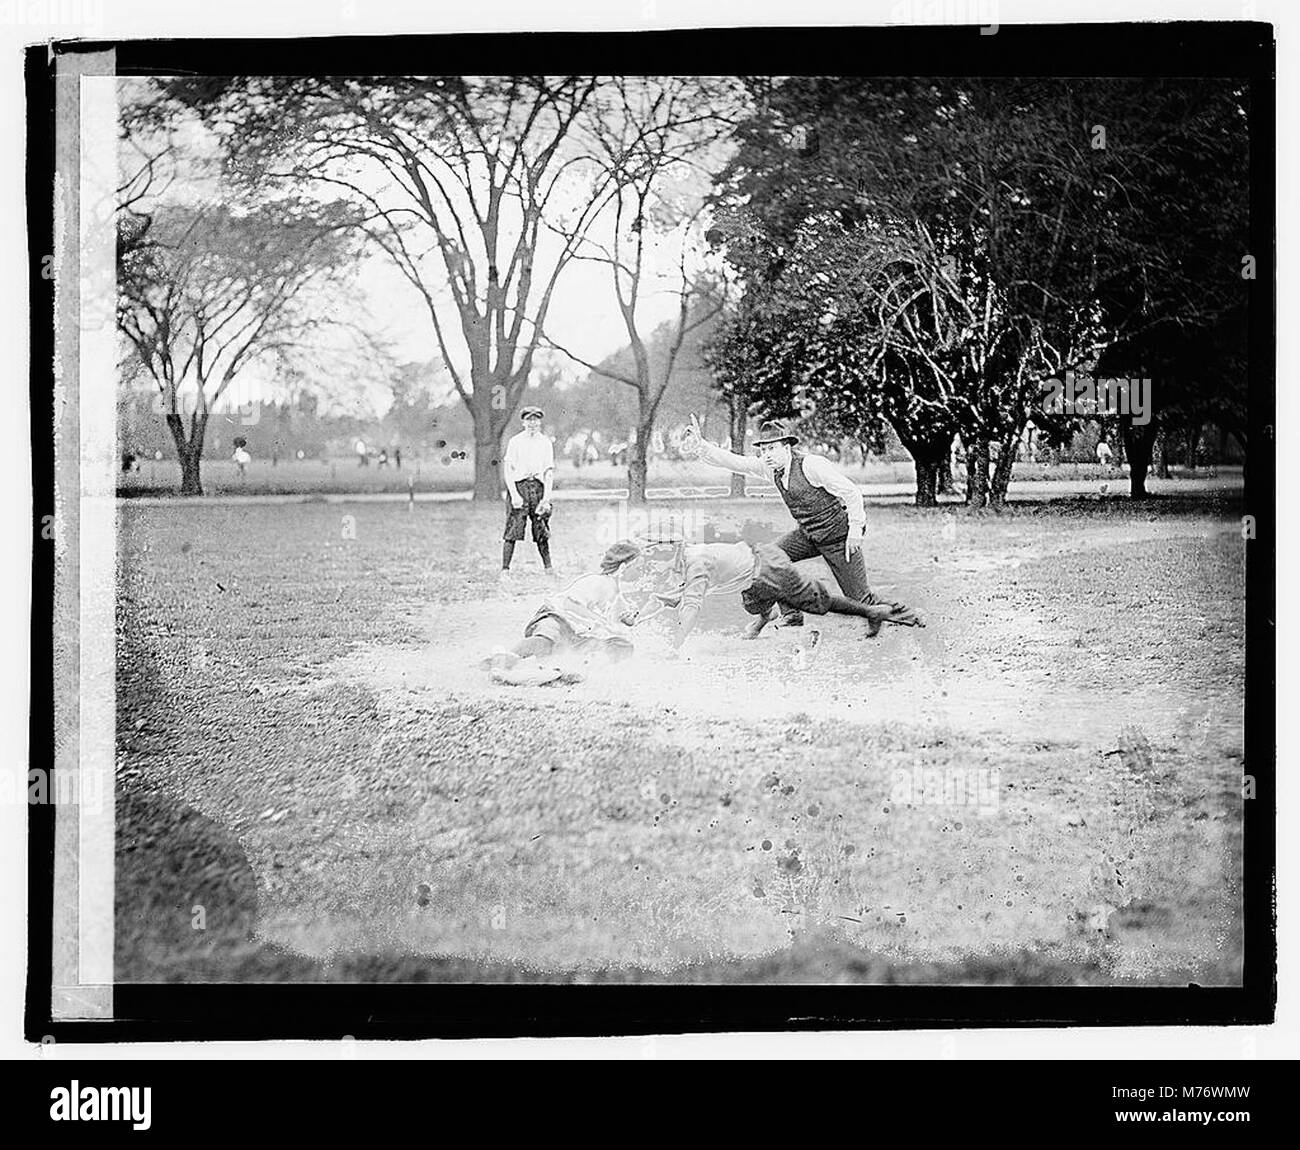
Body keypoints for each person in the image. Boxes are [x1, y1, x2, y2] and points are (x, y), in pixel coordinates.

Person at [679, 414, 915, 628]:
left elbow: (851, 492)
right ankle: (791, 615)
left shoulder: (812, 465)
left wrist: (855, 530)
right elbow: (736, 462)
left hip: (838, 538)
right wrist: (701, 447)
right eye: (763, 450)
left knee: (861, 600)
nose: (767, 455)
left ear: (787, 447)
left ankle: (911, 617)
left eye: (772, 449)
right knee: (768, 559)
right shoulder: (771, 469)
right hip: (808, 535)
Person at [641, 537, 918, 649]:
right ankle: (765, 617)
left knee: (819, 602)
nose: (654, 563)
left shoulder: (695, 565)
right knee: (752, 604)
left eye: (656, 557)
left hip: (768, 571)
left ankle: (873, 611)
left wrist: (675, 644)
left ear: (671, 553)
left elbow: (691, 607)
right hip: (757, 574)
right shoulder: (691, 554)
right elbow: (688, 592)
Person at [482, 541, 645, 685]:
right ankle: (503, 661)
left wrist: (629, 619)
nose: (640, 571)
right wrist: (601, 622)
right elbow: (569, 604)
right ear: (623, 567)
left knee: (623, 646)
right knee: (546, 640)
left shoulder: (617, 593)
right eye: (638, 567)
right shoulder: (597, 581)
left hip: (575, 635)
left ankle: (571, 668)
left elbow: (623, 617)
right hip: (556, 617)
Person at [501, 406, 555, 577]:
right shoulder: (515, 442)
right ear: (523, 422)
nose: (532, 423)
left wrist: (546, 498)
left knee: (541, 529)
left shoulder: (545, 442)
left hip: (538, 487)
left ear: (539, 421)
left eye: (536, 420)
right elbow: (508, 470)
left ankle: (549, 569)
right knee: (513, 529)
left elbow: (549, 472)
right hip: (519, 487)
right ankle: (505, 570)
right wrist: (515, 495)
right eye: (529, 420)